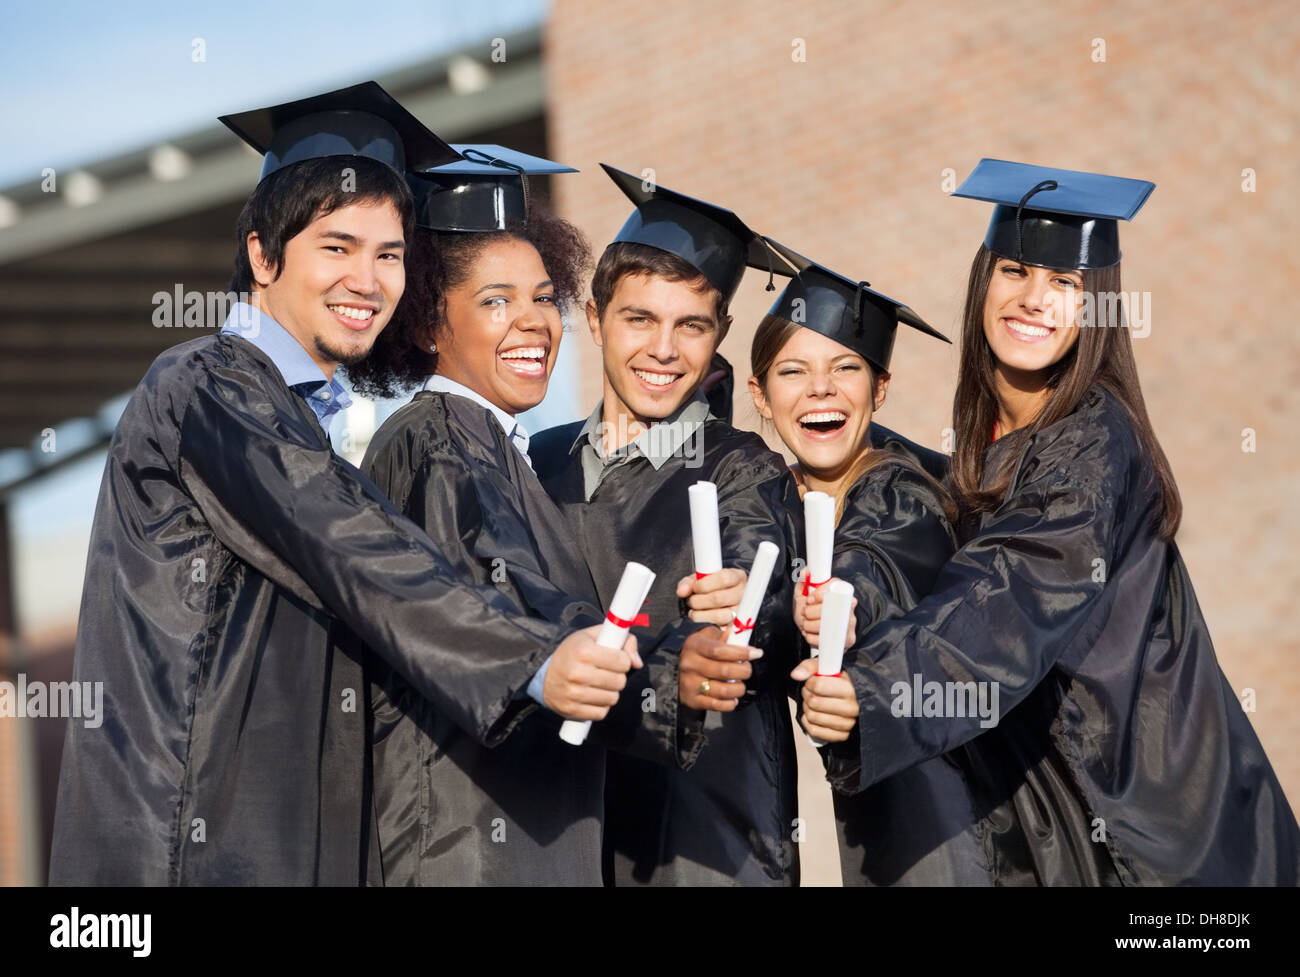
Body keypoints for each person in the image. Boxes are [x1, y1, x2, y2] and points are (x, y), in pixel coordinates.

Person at [49, 85, 637, 886]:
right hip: (180, 853)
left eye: (388, 254)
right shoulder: (202, 384)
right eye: (337, 247)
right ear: (263, 255)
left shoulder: (301, 417)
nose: (367, 279)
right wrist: (530, 659)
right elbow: (340, 536)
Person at [795, 159, 1300, 883]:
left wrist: (876, 688)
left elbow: (1007, 592)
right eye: (1014, 272)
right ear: (983, 283)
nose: (1033, 299)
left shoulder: (1092, 442)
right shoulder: (993, 444)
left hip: (1160, 836)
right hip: (1077, 822)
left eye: (1064, 285)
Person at [345, 147, 754, 884]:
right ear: (426, 319)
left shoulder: (502, 452)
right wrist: (664, 681)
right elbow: (502, 612)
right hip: (463, 847)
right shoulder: (435, 444)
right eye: (496, 301)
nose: (532, 322)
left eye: (543, 297)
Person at [531, 166, 804, 885]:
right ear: (593, 319)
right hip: (568, 832)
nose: (663, 349)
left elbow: (764, 589)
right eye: (639, 319)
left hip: (707, 839)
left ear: (720, 335)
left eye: (692, 326)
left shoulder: (742, 469)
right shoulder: (534, 459)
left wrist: (749, 602)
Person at [748, 241, 992, 885]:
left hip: (951, 821)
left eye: (846, 368)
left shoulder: (902, 491)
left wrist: (838, 600)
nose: (820, 388)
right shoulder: (770, 500)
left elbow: (878, 561)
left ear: (880, 388)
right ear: (760, 395)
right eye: (793, 371)